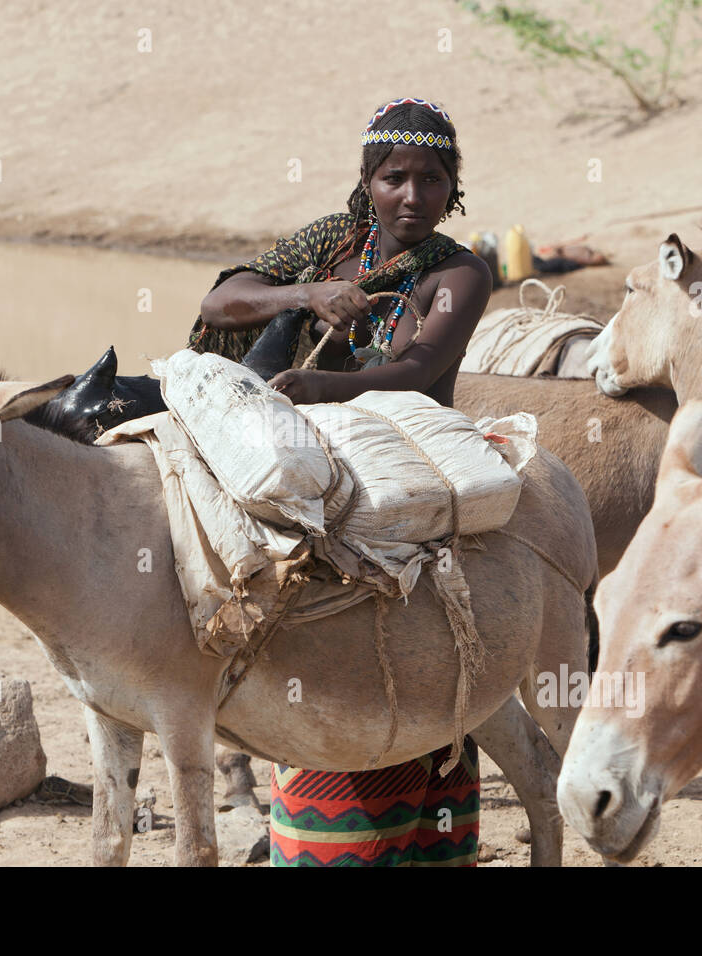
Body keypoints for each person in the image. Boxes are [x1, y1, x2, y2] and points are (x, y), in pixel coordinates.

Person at [191, 97, 493, 866]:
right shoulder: (331, 241)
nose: (413, 196)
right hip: (298, 463)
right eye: (396, 177)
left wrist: (315, 389)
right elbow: (218, 301)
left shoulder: (460, 270)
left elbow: (420, 372)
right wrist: (305, 296)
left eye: (432, 179)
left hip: (394, 470)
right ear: (368, 179)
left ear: (453, 186)